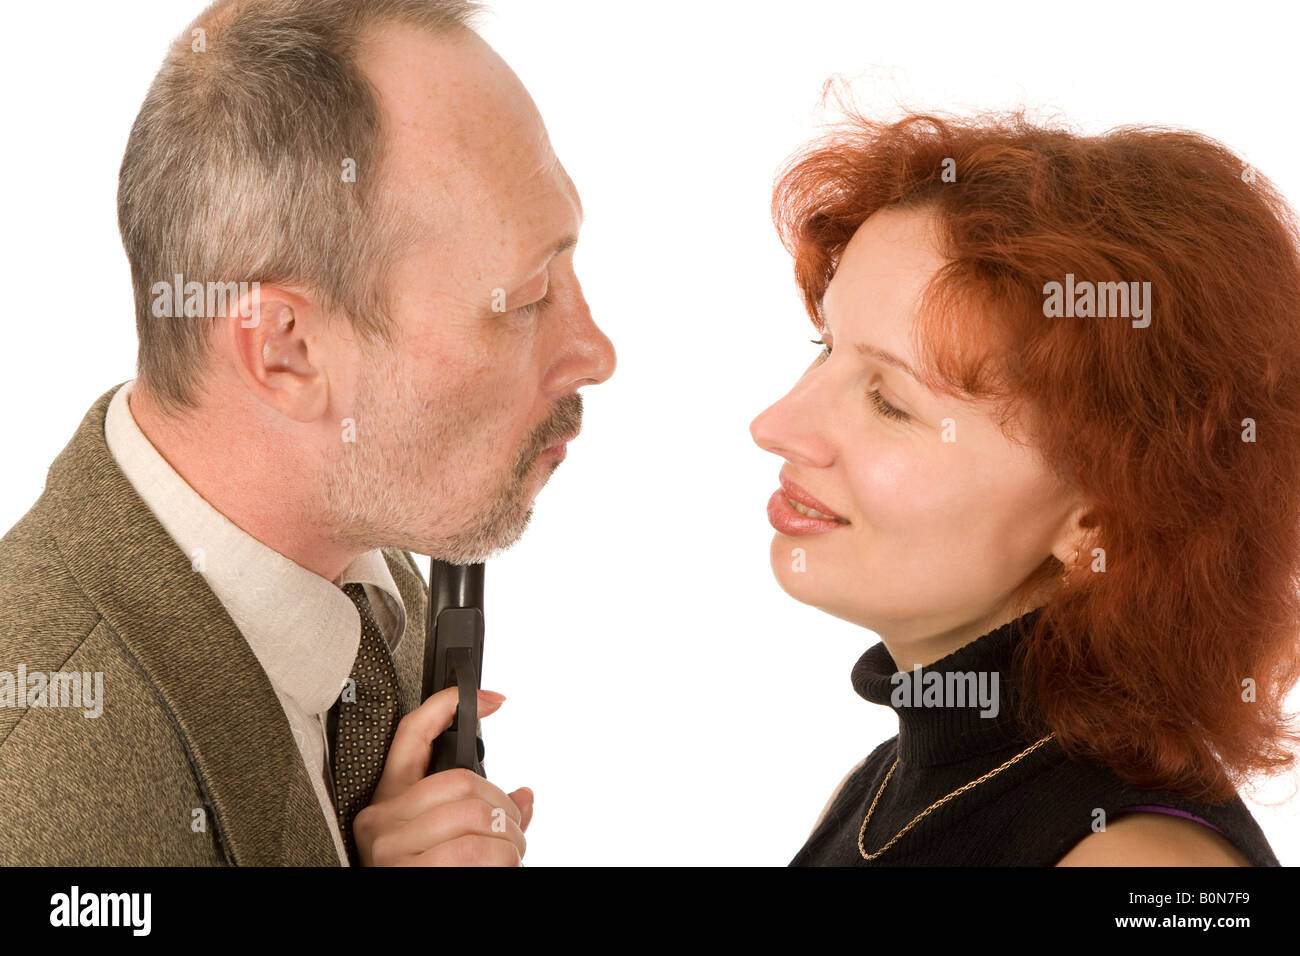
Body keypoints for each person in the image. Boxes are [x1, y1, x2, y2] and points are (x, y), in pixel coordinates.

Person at [0, 0, 615, 866]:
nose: (596, 353)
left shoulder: (360, 558)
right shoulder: (40, 804)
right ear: (285, 351)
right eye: (524, 301)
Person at [750, 107, 1300, 865]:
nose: (774, 423)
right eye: (825, 348)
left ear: (1099, 520)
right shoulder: (875, 795)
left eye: (889, 401)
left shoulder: (1139, 864)